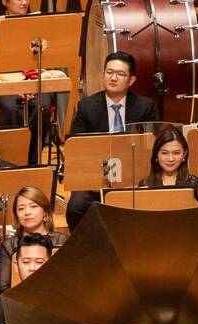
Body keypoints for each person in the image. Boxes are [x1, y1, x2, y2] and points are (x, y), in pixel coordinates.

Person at [65, 51, 158, 230]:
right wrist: (93, 180)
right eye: (109, 72)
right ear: (103, 75)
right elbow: (77, 149)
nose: (113, 78)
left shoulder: (144, 106)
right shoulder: (87, 106)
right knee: (76, 206)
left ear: (131, 80)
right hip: (96, 175)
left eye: (120, 74)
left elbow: (150, 147)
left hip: (133, 175)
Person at [0, 0, 51, 161]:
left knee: (43, 106)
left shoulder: (36, 24)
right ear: (5, 2)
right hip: (4, 81)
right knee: (12, 108)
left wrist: (31, 83)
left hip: (34, 79)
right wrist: (16, 86)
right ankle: (10, 160)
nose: (24, 2)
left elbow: (46, 57)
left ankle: (33, 161)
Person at [0, 184, 67, 292]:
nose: (27, 212)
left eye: (33, 206)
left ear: (45, 213)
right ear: (17, 216)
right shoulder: (9, 245)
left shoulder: (61, 241)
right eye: (21, 208)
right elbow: (3, 288)